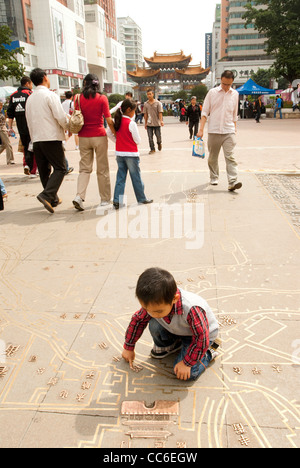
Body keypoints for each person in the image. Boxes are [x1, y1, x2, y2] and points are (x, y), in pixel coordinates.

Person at [122, 267, 220, 381]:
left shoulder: (192, 309)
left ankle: (209, 353)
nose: (152, 314)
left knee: (189, 373)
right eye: (147, 309)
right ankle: (170, 345)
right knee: (153, 323)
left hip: (198, 336)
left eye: (158, 311)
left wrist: (187, 364)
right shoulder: (155, 304)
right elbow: (137, 321)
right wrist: (129, 347)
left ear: (175, 299)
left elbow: (201, 338)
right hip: (179, 329)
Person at [26, 68, 69, 214]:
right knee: (60, 168)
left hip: (37, 139)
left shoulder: (30, 98)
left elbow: (28, 121)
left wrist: (33, 140)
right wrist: (68, 127)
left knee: (44, 171)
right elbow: (60, 116)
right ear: (45, 77)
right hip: (51, 137)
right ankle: (46, 195)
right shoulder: (50, 95)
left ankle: (52, 198)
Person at [72, 74, 115, 212]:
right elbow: (108, 119)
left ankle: (79, 196)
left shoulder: (77, 98)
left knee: (84, 168)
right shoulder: (102, 98)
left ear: (85, 83)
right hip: (99, 136)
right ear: (97, 84)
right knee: (102, 169)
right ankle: (104, 200)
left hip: (83, 137)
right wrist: (115, 133)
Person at [197, 70, 242, 192]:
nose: (226, 87)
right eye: (223, 84)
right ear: (220, 80)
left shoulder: (235, 94)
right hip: (214, 130)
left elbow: (234, 114)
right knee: (213, 157)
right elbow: (205, 112)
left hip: (229, 130)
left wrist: (235, 128)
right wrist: (201, 129)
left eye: (228, 84)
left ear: (232, 82)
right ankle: (214, 176)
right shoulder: (212, 93)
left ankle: (233, 181)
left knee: (230, 157)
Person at [107, 99, 153, 209]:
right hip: (131, 154)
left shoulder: (116, 121)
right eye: (134, 110)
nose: (135, 113)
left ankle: (117, 200)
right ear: (129, 110)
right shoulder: (131, 123)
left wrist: (118, 140)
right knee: (136, 177)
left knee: (120, 177)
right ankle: (141, 198)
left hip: (119, 153)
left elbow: (108, 133)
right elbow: (137, 141)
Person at [7, 76, 37, 176]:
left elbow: (10, 114)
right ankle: (32, 170)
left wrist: (10, 128)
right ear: (27, 84)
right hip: (31, 125)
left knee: (26, 146)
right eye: (31, 84)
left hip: (20, 127)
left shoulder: (13, 96)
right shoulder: (29, 94)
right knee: (33, 147)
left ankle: (27, 165)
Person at [143, 89, 164, 154]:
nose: (149, 95)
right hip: (149, 124)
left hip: (157, 123)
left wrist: (161, 121)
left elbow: (160, 113)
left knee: (158, 137)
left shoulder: (158, 103)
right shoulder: (146, 104)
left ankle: (159, 143)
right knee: (150, 137)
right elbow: (145, 114)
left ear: (153, 94)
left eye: (150, 94)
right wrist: (145, 123)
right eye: (148, 94)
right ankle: (152, 149)